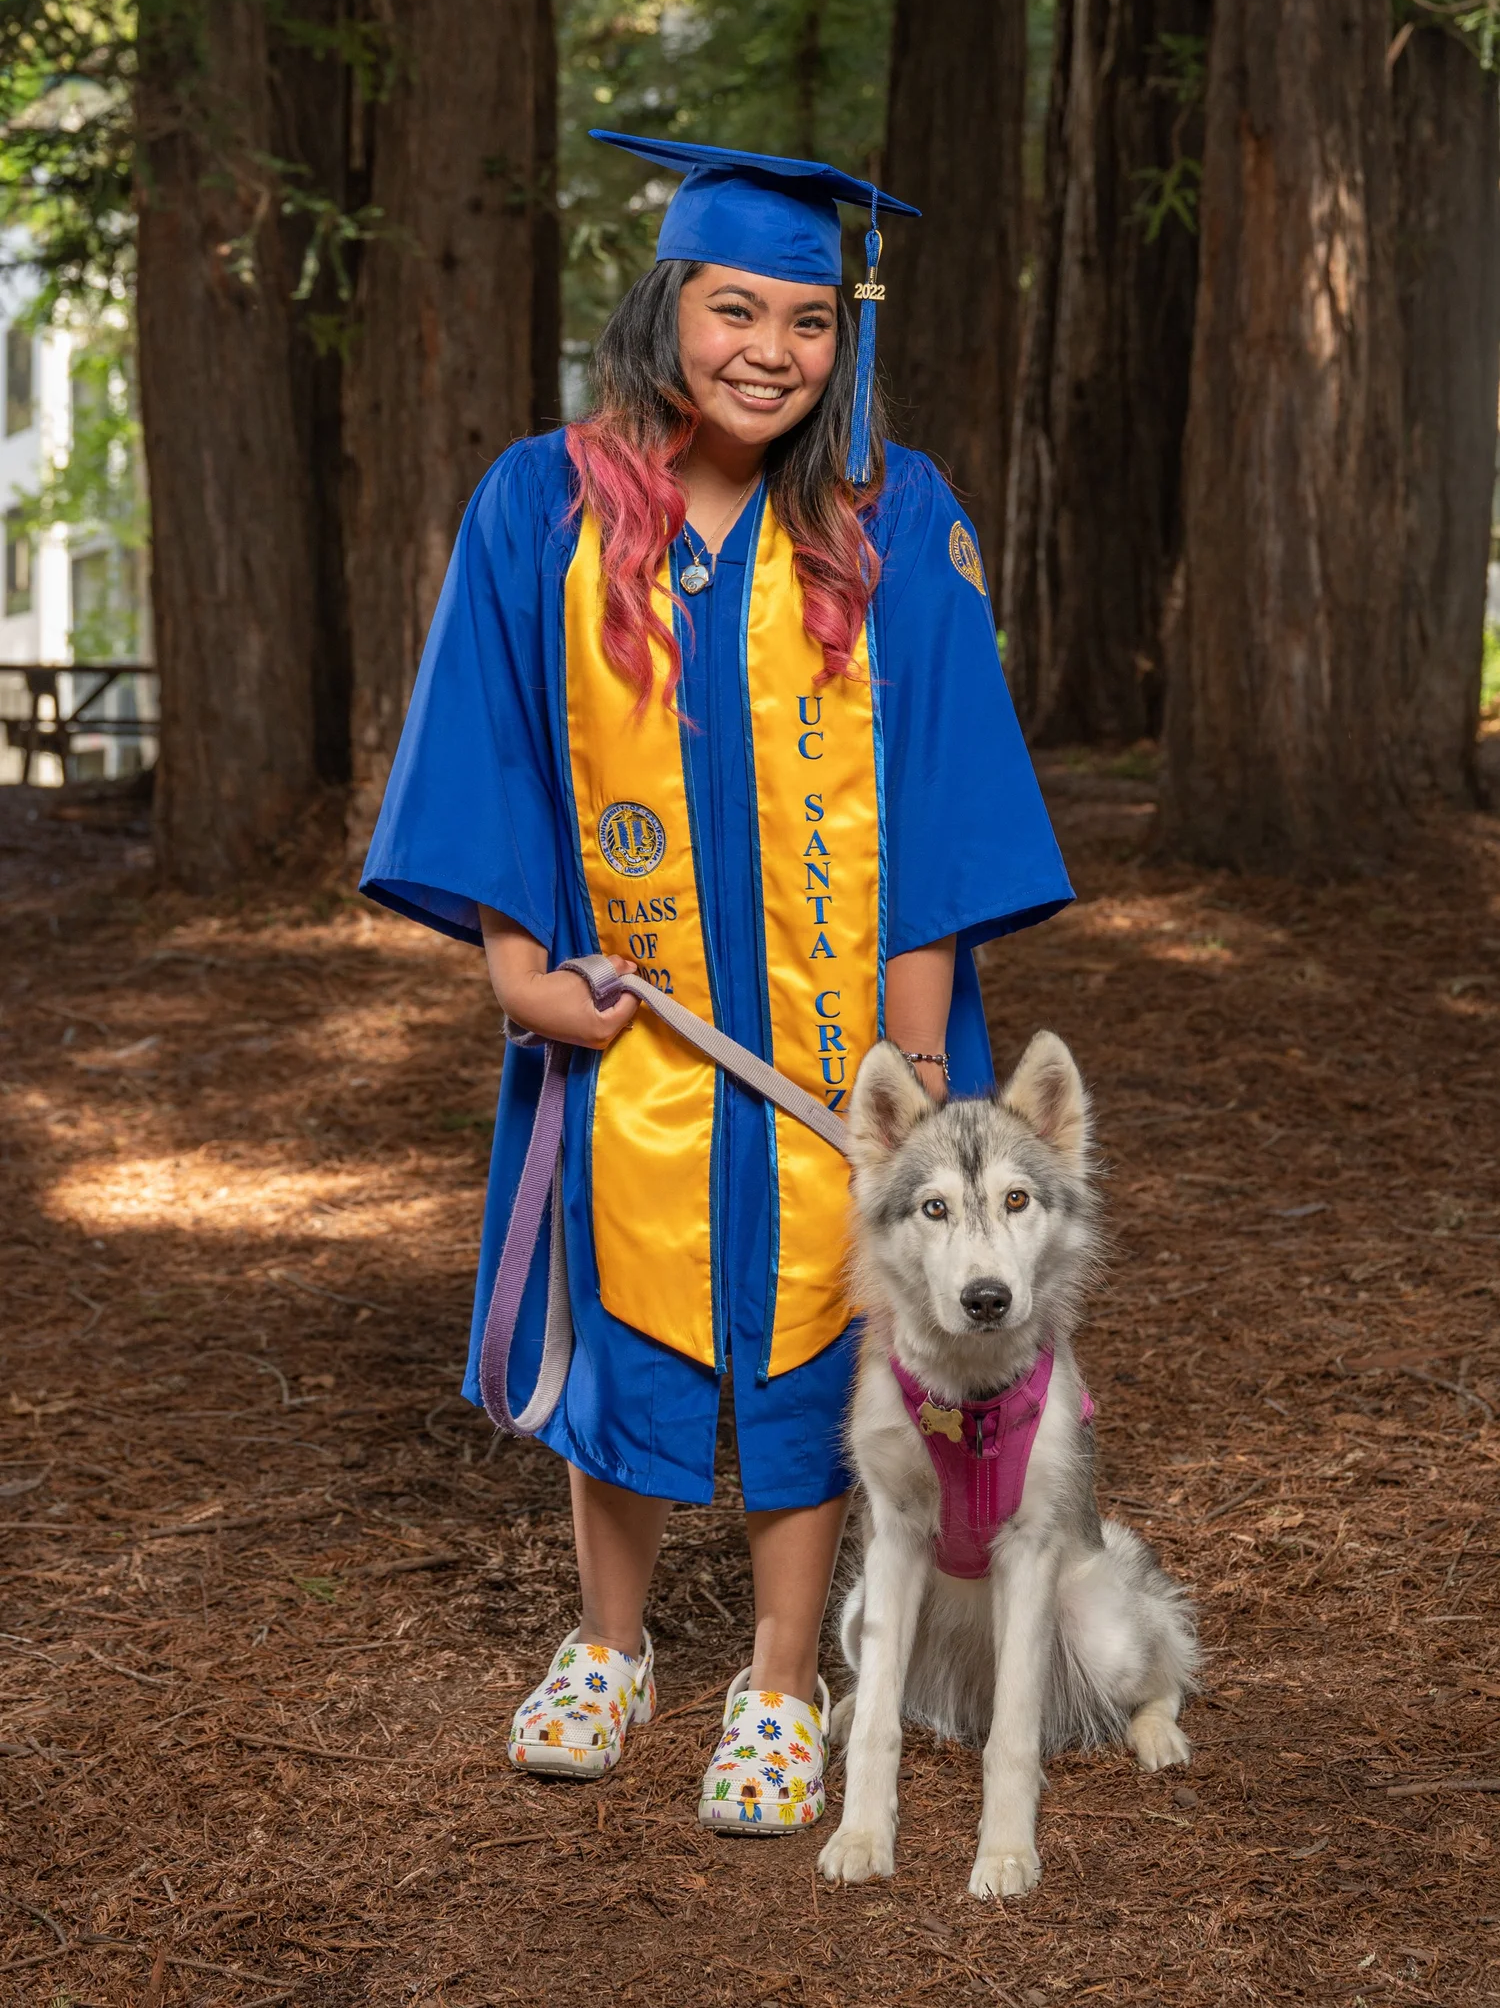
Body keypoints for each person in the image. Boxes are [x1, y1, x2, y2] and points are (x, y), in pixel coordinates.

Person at [360, 133, 1072, 1834]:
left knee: (831, 1334)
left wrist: (906, 1057)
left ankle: (778, 1675)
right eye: (735, 307)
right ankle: (609, 1645)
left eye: (811, 319)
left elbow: (945, 786)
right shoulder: (545, 501)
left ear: (848, 334)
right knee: (629, 1316)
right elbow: (500, 748)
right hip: (634, 1027)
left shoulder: (895, 515)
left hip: (856, 1046)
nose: (771, 349)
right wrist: (521, 976)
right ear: (665, 303)